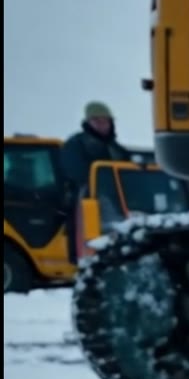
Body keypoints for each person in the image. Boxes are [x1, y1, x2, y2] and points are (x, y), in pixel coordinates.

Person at [58, 101, 133, 260]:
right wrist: (102, 185)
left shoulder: (118, 149)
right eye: (96, 121)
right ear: (88, 122)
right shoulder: (76, 145)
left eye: (105, 121)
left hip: (119, 202)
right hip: (89, 201)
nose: (101, 125)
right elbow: (76, 172)